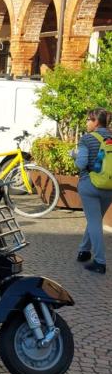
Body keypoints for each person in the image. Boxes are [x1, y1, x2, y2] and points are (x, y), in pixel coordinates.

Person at [73, 107, 112, 274]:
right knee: (95, 219)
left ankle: (99, 261)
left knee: (95, 222)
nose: (87, 122)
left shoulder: (87, 139)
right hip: (109, 186)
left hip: (90, 185)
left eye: (89, 119)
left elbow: (81, 164)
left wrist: (74, 155)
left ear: (96, 122)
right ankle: (84, 251)